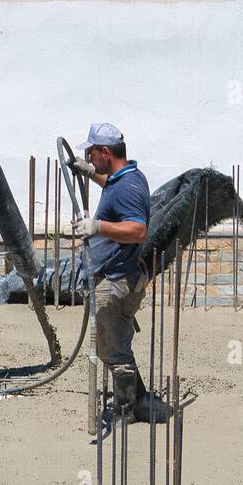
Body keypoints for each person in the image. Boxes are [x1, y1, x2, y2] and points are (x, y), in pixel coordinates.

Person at [68, 122, 164, 422]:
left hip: (118, 281)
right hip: (115, 275)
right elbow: (111, 185)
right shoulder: (122, 178)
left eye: (92, 152)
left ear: (105, 152)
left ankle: (130, 408)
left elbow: (137, 230)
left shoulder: (129, 186)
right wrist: (88, 172)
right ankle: (139, 401)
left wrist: (98, 227)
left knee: (112, 350)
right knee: (112, 343)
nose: (89, 154)